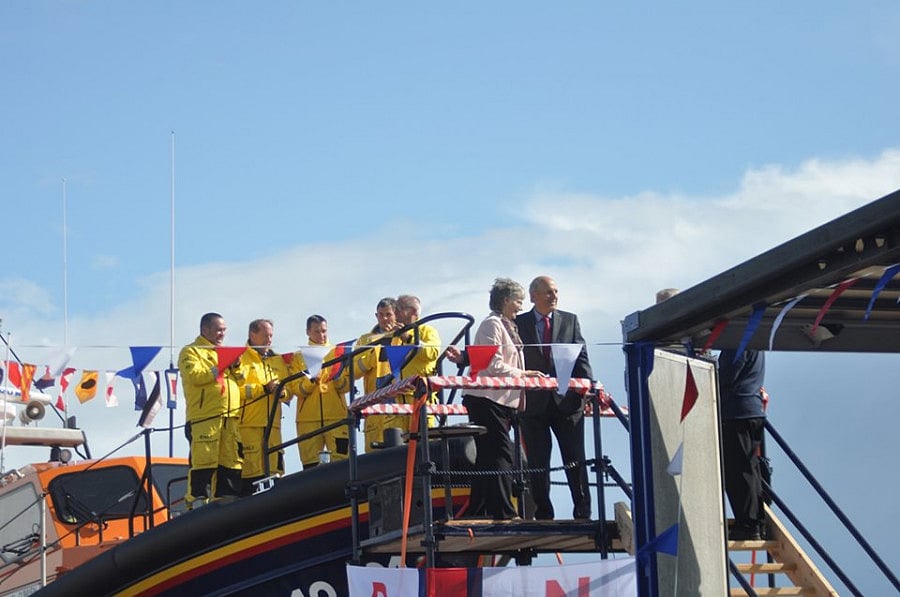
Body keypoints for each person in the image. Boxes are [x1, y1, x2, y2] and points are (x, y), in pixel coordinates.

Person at [447, 278, 545, 519]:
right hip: (486, 399)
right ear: (505, 300)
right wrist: (524, 374)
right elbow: (494, 363)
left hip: (501, 400)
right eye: (518, 300)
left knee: (488, 455)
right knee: (501, 452)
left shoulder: (507, 325)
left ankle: (477, 508)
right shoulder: (492, 324)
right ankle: (503, 510)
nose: (521, 305)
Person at [515, 276, 593, 520]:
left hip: (567, 402)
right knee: (538, 461)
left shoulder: (570, 320)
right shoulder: (518, 323)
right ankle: (543, 511)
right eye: (548, 292)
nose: (554, 296)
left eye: (556, 291)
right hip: (533, 404)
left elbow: (581, 357)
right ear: (534, 296)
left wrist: (587, 388)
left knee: (575, 458)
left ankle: (582, 509)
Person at [178, 312, 244, 507]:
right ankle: (196, 501)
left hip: (229, 417)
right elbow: (195, 377)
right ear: (204, 329)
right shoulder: (191, 352)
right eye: (218, 329)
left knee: (231, 461)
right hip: (204, 418)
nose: (222, 334)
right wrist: (221, 365)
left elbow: (240, 383)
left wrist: (237, 366)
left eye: (224, 330)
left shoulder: (226, 353)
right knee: (204, 461)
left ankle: (226, 499)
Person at [238, 319, 295, 496]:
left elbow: (289, 390)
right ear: (252, 335)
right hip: (249, 425)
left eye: (271, 335)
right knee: (251, 475)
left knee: (275, 474)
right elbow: (236, 389)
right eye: (265, 336)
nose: (269, 340)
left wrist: (281, 392)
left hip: (273, 426)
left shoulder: (277, 360)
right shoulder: (239, 359)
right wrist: (263, 389)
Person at [718, 348, 767, 540]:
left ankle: (748, 525)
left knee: (738, 471)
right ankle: (756, 523)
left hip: (735, 413)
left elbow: (727, 374)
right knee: (751, 470)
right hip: (752, 411)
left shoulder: (737, 338)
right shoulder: (757, 340)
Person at [294, 315, 351, 468]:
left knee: (342, 463)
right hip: (308, 420)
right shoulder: (298, 357)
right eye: (317, 331)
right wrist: (311, 381)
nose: (321, 335)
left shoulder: (338, 353)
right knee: (310, 465)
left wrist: (337, 378)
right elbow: (296, 390)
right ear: (308, 332)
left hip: (337, 416)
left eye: (324, 331)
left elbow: (347, 386)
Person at [354, 297, 403, 451]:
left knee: (400, 452)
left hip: (398, 403)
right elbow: (353, 371)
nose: (384, 319)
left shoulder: (404, 336)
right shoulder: (365, 340)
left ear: (396, 314)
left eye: (388, 314)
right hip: (374, 403)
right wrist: (372, 356)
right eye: (380, 315)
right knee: (373, 455)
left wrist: (401, 335)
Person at [393, 294, 442, 433]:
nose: (395, 313)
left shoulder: (427, 331)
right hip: (399, 402)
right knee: (400, 450)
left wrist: (409, 338)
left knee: (424, 447)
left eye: (399, 309)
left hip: (421, 398)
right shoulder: (395, 336)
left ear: (413, 312)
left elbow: (432, 353)